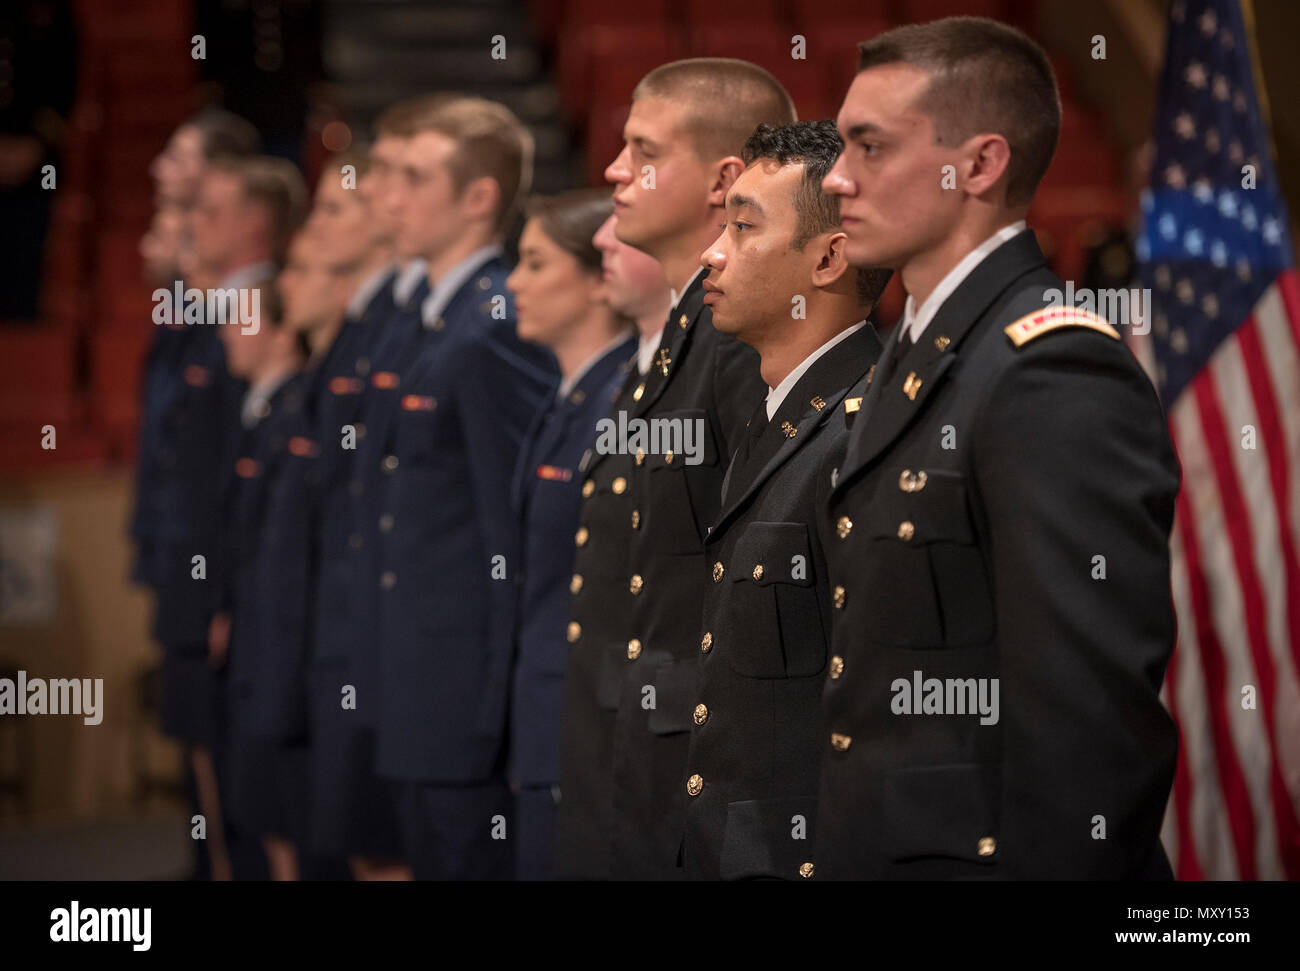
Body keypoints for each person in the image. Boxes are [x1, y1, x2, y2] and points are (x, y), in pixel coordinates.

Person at [817, 16, 1180, 879]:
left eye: (870, 147)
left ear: (978, 165)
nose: (835, 180)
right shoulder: (918, 352)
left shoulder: (1049, 367)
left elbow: (1086, 731)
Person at [587, 57, 794, 880]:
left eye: (643, 151)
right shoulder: (684, 335)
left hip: (705, 765)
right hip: (654, 741)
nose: (612, 170)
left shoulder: (735, 344)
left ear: (725, 180)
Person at [683, 120, 887, 880]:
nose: (713, 251)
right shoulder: (773, 410)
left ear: (830, 256)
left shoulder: (864, 433)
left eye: (741, 227)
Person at [372, 96, 556, 879]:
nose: (391, 195)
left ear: (479, 197)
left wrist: (493, 707)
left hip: (460, 696)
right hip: (419, 678)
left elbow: (509, 531)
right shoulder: (433, 319)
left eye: (415, 177)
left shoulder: (493, 325)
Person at [503, 190, 637, 880]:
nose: (513, 284)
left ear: (596, 280)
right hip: (542, 715)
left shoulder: (619, 400)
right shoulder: (571, 396)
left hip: (579, 719)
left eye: (533, 263)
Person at [551, 212, 670, 879]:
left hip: (653, 722)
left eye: (625, 218)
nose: (603, 239)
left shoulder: (713, 362)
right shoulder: (639, 371)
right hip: (602, 708)